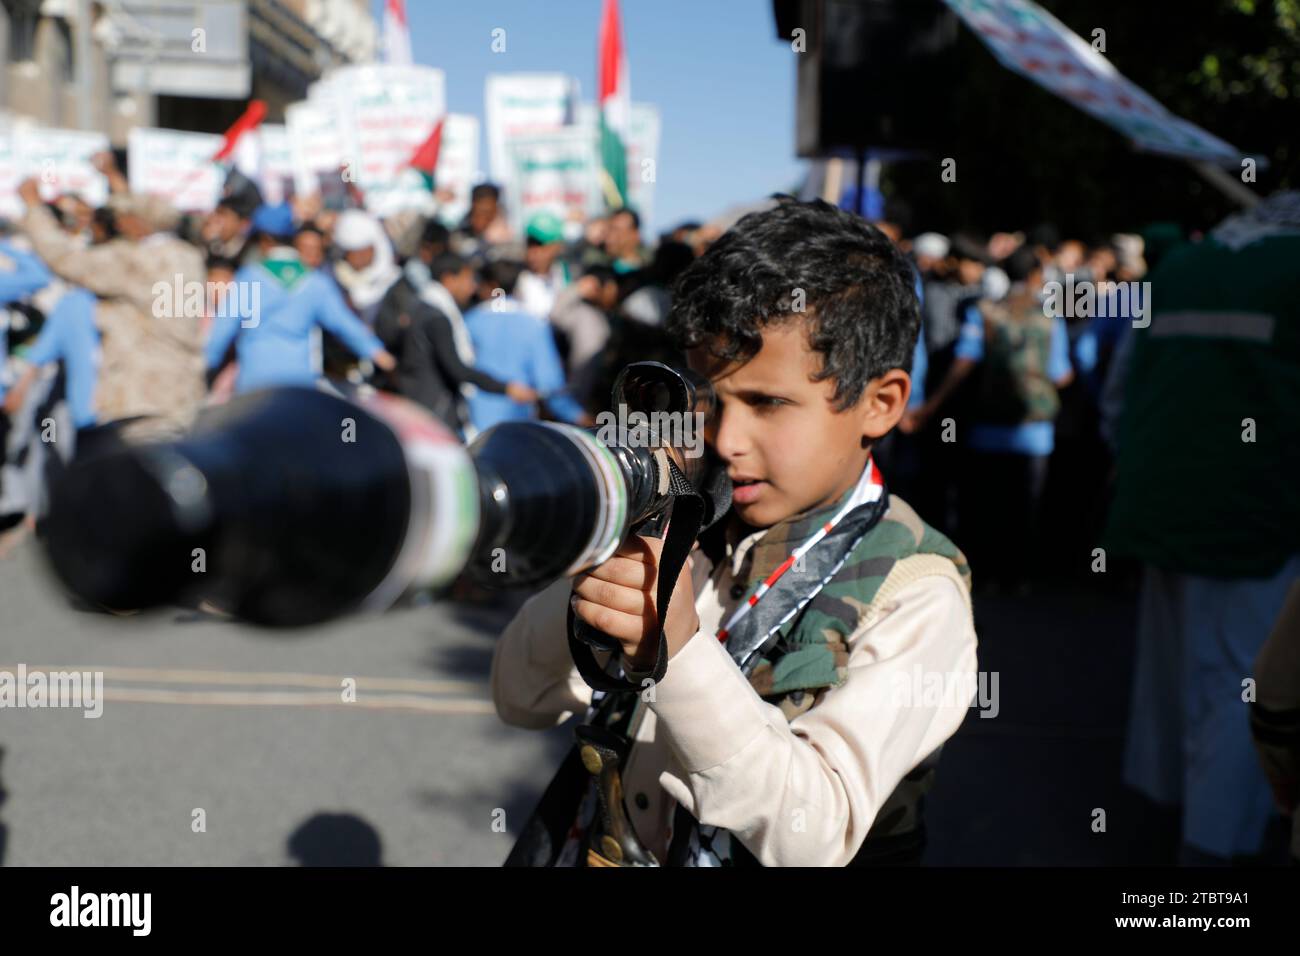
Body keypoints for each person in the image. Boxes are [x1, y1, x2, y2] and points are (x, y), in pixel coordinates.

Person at [492, 198, 977, 867]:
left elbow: (814, 832)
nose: (725, 438)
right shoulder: (698, 521)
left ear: (881, 402)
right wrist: (600, 560)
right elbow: (521, 696)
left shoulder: (916, 590)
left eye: (768, 403)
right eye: (713, 401)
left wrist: (678, 650)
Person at [1106, 191, 1300, 865]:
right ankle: (1215, 857)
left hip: (1161, 507)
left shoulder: (1182, 267)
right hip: (1261, 522)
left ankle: (1169, 821)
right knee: (1242, 685)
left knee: (1171, 677)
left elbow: (1120, 393)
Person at [905, 245, 1072, 592]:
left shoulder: (983, 311)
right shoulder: (1049, 314)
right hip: (1034, 429)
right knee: (1026, 507)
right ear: (1036, 275)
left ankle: (984, 577)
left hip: (985, 426)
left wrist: (930, 405)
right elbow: (1060, 373)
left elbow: (964, 362)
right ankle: (1020, 577)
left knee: (985, 506)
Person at [16, 179, 207, 440]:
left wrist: (34, 207)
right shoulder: (189, 257)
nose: (118, 223)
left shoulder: (136, 260)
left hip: (142, 395)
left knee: (137, 474)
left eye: (124, 217)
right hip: (181, 394)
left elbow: (65, 259)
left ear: (140, 222)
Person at [203, 207, 395, 395]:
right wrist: (380, 354)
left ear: (264, 240)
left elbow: (221, 332)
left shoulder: (248, 278)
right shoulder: (315, 282)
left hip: (253, 382)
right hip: (298, 385)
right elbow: (345, 325)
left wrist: (205, 367)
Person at [372, 252, 536, 436]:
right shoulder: (437, 317)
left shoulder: (419, 308)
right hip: (433, 412)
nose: (472, 287)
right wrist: (506, 388)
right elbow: (457, 369)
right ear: (449, 279)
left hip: (416, 404)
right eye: (467, 279)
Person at [461, 258, 585, 433]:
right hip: (519, 427)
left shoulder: (469, 321)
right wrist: (580, 417)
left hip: (473, 427)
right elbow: (550, 384)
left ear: (489, 286)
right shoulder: (534, 324)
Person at [515, 212, 570, 319]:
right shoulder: (514, 276)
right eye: (530, 244)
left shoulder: (568, 273)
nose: (534, 252)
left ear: (556, 247)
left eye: (540, 245)